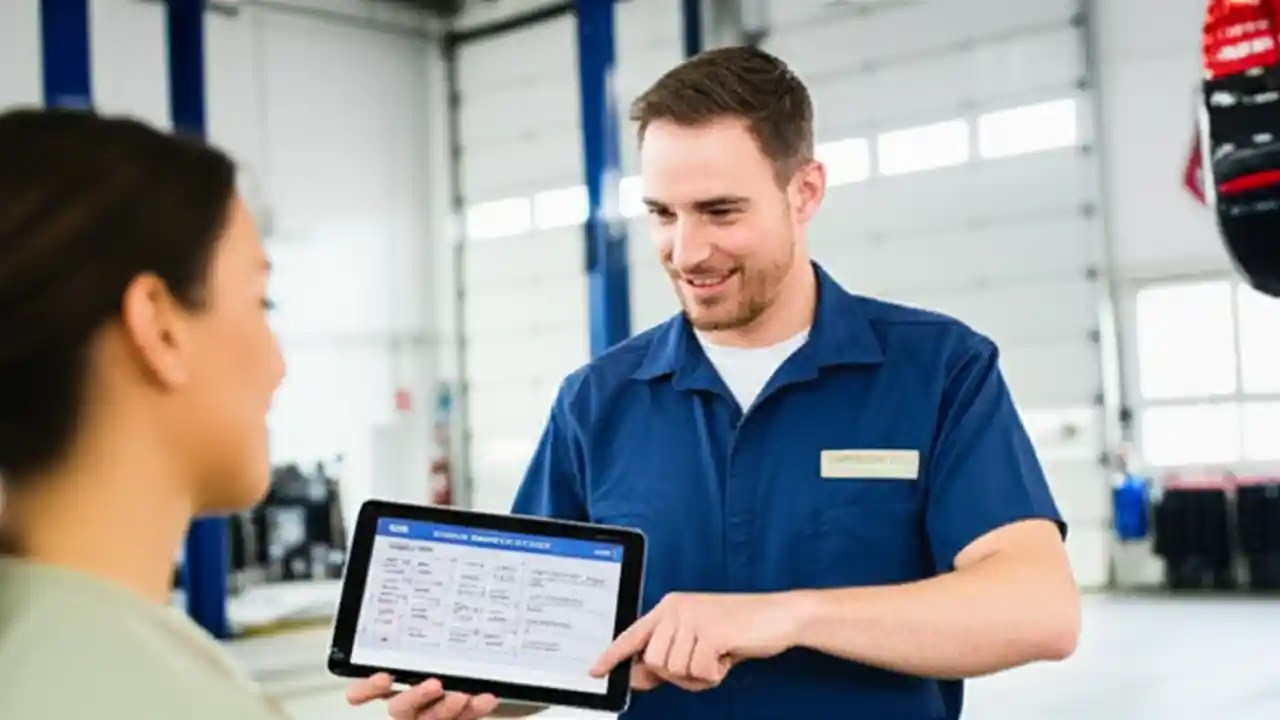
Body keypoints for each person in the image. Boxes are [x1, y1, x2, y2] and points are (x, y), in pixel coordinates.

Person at [349, 46, 1080, 719]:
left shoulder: (939, 371)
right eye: (662, 214)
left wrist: (787, 616)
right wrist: (480, 694)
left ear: (805, 192)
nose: (686, 251)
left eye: (720, 212)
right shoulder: (597, 402)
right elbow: (551, 648)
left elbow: (1038, 610)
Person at [0, 109, 483, 720]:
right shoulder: (159, 693)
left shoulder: (49, 642)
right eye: (261, 301)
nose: (277, 364)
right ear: (159, 327)